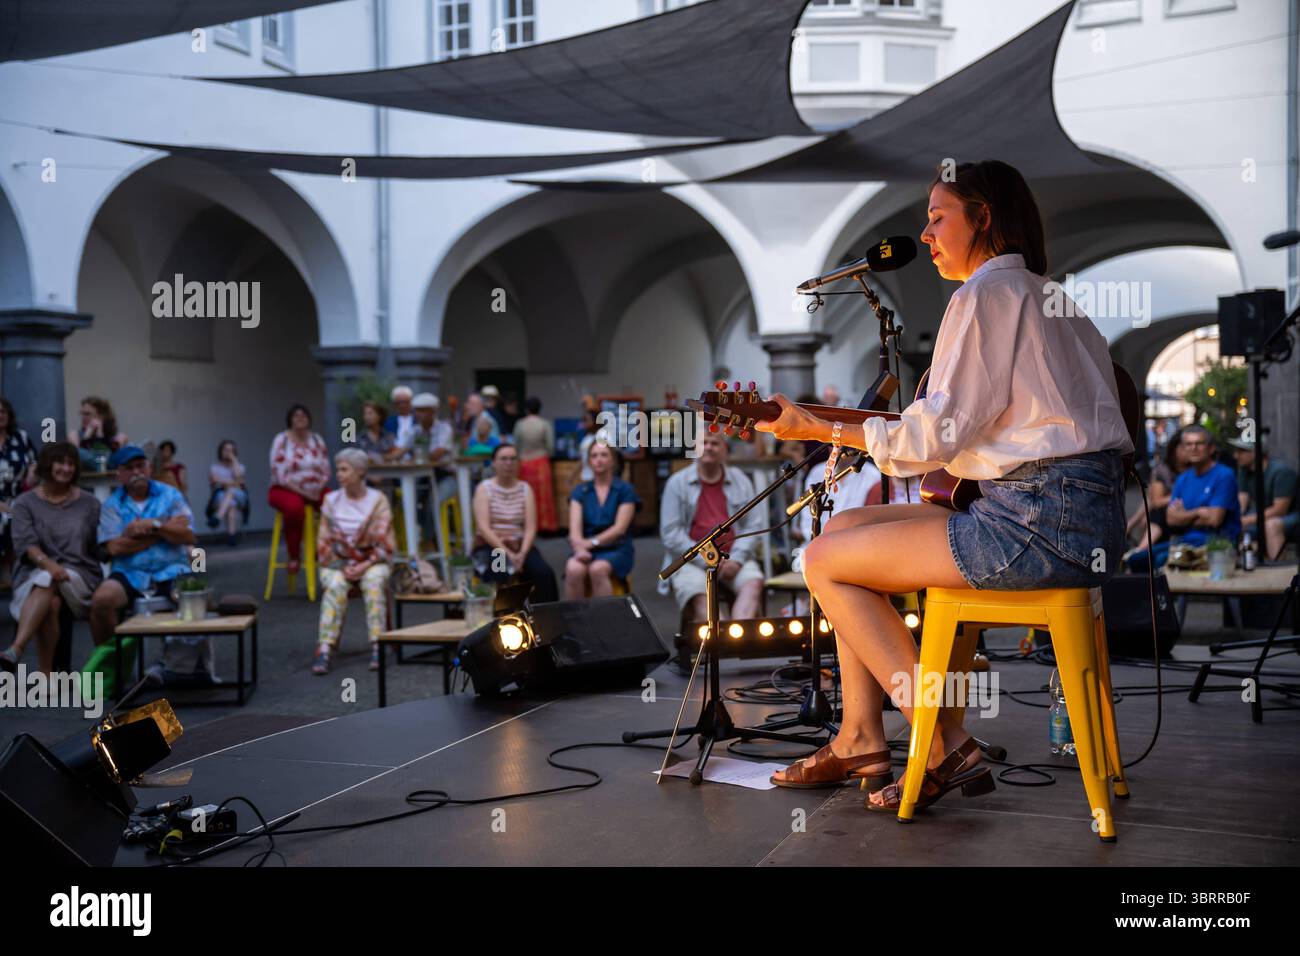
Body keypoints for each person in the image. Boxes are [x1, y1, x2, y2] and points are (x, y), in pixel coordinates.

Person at [755, 160, 1132, 812]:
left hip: (1033, 522)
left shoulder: (984, 296)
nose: (925, 235)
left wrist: (820, 428)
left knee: (821, 559)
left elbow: (934, 438)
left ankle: (942, 743)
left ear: (982, 217)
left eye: (937, 217)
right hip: (1083, 518)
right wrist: (843, 428)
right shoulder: (1050, 294)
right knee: (844, 532)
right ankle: (861, 735)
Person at [2, 443, 102, 675]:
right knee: (52, 599)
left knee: (47, 579)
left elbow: (98, 545)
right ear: (48, 465)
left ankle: (16, 648)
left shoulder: (90, 503)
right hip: (35, 573)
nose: (66, 468)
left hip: (80, 573)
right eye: (60, 462)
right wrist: (48, 564)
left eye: (70, 463)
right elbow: (25, 544)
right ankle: (48, 675)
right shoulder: (26, 503)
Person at [90, 445, 195, 648]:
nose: (137, 472)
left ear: (148, 468)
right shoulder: (111, 505)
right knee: (102, 601)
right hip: (129, 572)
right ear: (119, 474)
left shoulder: (171, 495)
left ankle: (181, 666)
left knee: (194, 598)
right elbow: (115, 548)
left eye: (140, 465)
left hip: (172, 570)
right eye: (130, 468)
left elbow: (188, 534)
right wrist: (165, 531)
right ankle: (114, 666)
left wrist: (150, 525)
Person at [658, 430, 766, 622]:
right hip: (691, 561)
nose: (708, 447)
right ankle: (720, 639)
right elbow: (671, 535)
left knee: (753, 583)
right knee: (699, 596)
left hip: (734, 557)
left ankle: (738, 637)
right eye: (703, 443)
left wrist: (738, 560)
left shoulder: (740, 480)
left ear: (725, 450)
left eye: (715, 443)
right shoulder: (677, 483)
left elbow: (753, 526)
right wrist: (710, 560)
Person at [311, 449, 396, 675]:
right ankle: (325, 648)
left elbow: (386, 543)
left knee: (374, 581)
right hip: (338, 562)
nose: (339, 474)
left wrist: (363, 565)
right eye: (338, 469)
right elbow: (323, 544)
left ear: (360, 472)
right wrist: (344, 566)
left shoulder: (377, 501)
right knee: (336, 585)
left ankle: (378, 644)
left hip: (372, 561)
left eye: (344, 469)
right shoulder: (331, 501)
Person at [1127, 425, 1239, 571]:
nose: (1193, 448)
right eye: (1188, 444)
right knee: (1135, 560)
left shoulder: (1224, 475)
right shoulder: (1183, 479)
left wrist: (1184, 515)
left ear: (1211, 448)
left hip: (1217, 543)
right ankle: (1151, 594)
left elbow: (1214, 519)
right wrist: (1198, 512)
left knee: (1161, 560)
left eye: (1199, 444)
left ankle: (1167, 594)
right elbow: (1171, 519)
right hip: (1186, 541)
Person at [471, 444, 558, 603]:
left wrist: (522, 554)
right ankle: (503, 621)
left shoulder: (525, 489)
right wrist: (508, 554)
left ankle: (544, 619)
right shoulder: (484, 488)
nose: (508, 463)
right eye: (503, 459)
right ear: (494, 463)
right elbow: (484, 528)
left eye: (513, 459)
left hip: (520, 545)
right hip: (494, 545)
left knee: (544, 573)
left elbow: (531, 527)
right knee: (501, 571)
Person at [563, 441, 639, 599]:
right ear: (589, 462)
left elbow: (620, 529)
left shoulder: (625, 490)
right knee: (573, 569)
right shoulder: (580, 491)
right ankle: (575, 620)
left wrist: (591, 544)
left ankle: (602, 621)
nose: (599, 459)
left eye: (604, 455)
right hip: (584, 548)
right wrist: (579, 549)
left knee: (597, 569)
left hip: (616, 548)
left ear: (613, 460)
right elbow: (574, 531)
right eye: (594, 455)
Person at [268, 404, 330, 575]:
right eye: (296, 415)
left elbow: (326, 468)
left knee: (334, 503)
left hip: (315, 488)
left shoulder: (316, 439)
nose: (300, 418)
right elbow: (279, 473)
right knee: (295, 508)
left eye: (304, 415)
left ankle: (324, 549)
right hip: (285, 488)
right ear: (290, 419)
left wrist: (318, 487)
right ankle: (294, 555)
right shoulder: (282, 439)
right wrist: (304, 492)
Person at [1232, 439, 1298, 561]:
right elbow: (1242, 498)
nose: (1236, 456)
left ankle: (1276, 567)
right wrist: (1238, 518)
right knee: (1231, 522)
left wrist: (1247, 520)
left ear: (1256, 453)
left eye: (1241, 451)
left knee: (1271, 525)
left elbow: (1280, 510)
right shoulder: (1244, 470)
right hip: (1260, 513)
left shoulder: (1281, 472)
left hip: (1290, 515)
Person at [1125, 427, 1184, 549]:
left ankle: (1139, 549)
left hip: (1170, 508)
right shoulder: (1163, 470)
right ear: (1174, 449)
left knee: (1152, 515)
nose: (1190, 449)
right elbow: (1155, 500)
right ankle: (1138, 547)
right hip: (1163, 506)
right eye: (1184, 446)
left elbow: (1157, 501)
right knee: (1149, 511)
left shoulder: (1194, 469)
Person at [0, 397, 37, 577]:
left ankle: (15, 570)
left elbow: (34, 460)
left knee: (22, 515)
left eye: (3, 412)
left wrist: (31, 470)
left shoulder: (20, 437)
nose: (0, 415)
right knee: (5, 517)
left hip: (19, 497)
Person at [513, 397, 557, 533]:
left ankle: (526, 525)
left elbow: (516, 445)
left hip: (524, 462)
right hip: (541, 462)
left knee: (525, 494)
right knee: (543, 496)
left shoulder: (520, 424)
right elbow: (550, 446)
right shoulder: (545, 424)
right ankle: (544, 525)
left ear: (526, 409)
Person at [207, 440, 249, 545]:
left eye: (231, 450)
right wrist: (234, 483)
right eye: (226, 450)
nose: (228, 452)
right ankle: (232, 536)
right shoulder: (214, 467)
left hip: (240, 496)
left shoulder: (240, 466)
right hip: (220, 496)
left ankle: (217, 517)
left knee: (231, 492)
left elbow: (239, 479)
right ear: (220, 451)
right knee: (231, 505)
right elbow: (215, 481)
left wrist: (234, 460)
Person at [68, 396, 127, 468]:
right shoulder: (74, 435)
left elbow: (115, 460)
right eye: (82, 414)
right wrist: (87, 436)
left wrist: (100, 434)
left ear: (101, 416)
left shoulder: (119, 437)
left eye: (87, 414)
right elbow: (79, 457)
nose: (83, 417)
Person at [383, 386, 416, 451]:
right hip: (394, 457)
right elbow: (387, 443)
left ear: (411, 402)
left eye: (405, 402)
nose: (402, 405)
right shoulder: (389, 422)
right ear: (394, 404)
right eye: (399, 403)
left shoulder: (418, 420)